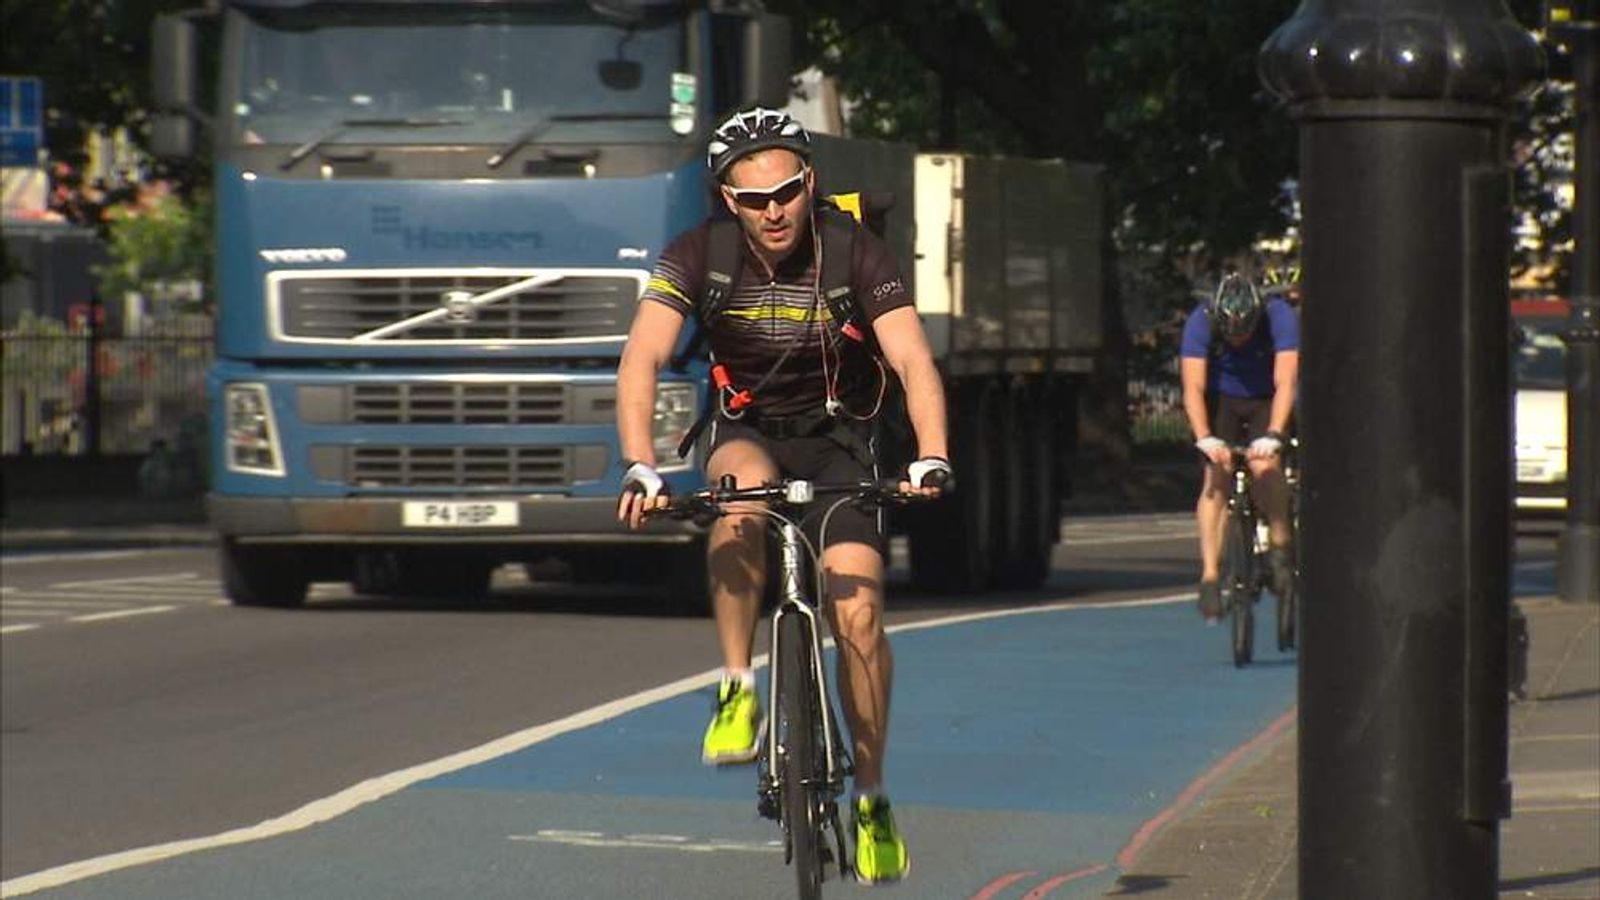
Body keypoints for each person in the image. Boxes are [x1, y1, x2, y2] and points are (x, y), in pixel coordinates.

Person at [614, 106, 951, 885]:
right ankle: (736, 686)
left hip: (841, 440)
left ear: (811, 184)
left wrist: (931, 456)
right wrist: (639, 463)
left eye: (788, 193)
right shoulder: (696, 255)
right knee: (737, 504)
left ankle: (871, 798)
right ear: (727, 199)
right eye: (753, 198)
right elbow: (642, 359)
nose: (773, 211)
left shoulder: (856, 251)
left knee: (860, 616)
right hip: (749, 429)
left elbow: (912, 361)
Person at [1181, 272, 1299, 621]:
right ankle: (1210, 576)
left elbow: (1286, 381)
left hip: (1265, 396)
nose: (1238, 340)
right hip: (1224, 398)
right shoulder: (1200, 322)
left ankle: (1280, 545)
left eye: (1245, 333)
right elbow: (1193, 388)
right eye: (1231, 334)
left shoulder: (1280, 317)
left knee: (1265, 467)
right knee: (1216, 476)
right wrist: (1204, 437)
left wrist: (1274, 434)